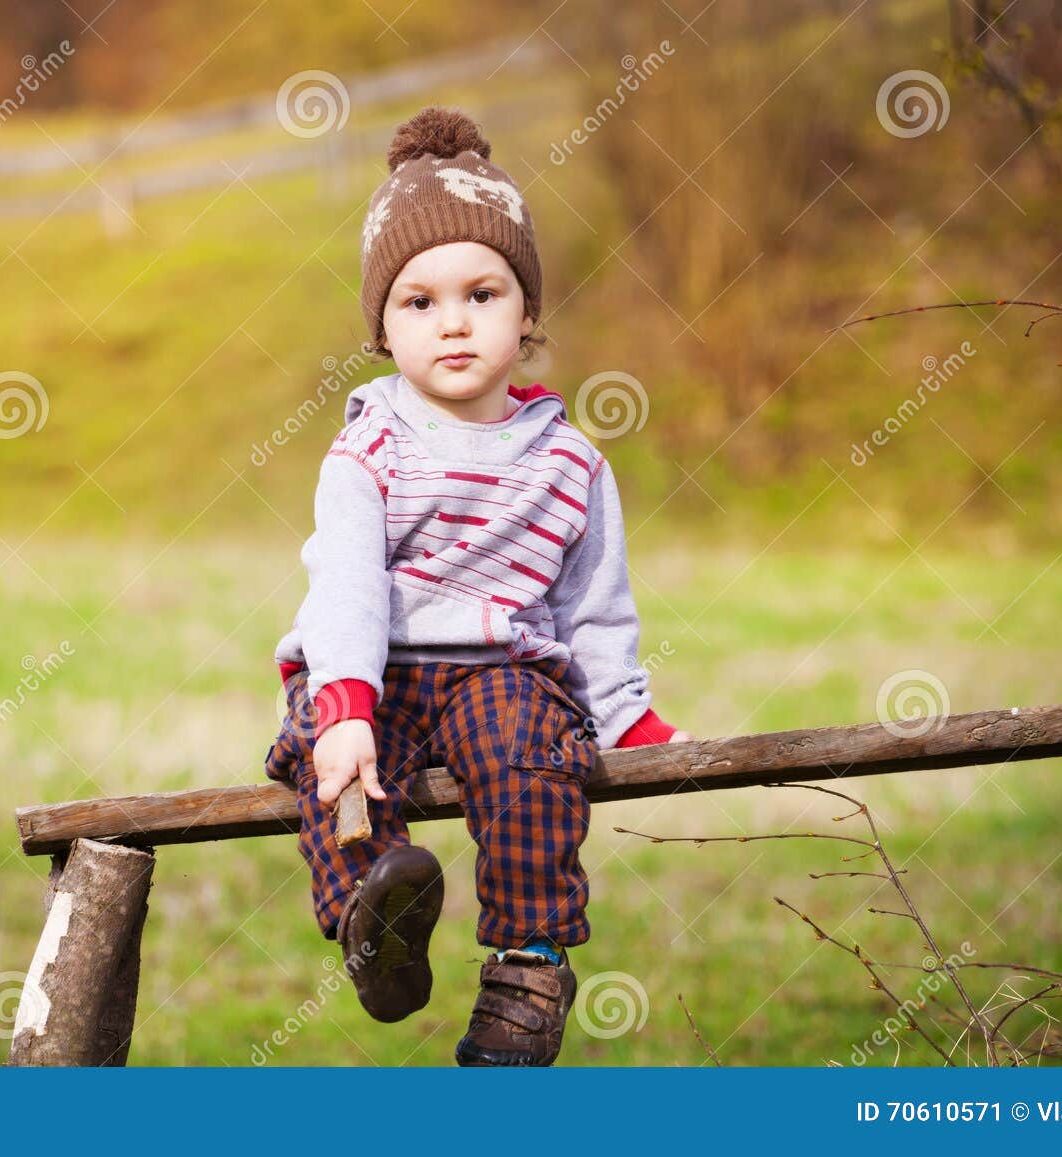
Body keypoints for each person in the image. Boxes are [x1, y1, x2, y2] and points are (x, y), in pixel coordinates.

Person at [263, 105, 692, 1067]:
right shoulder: (367, 447)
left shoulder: (569, 462)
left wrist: (623, 713)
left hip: (502, 668)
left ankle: (528, 971)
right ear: (381, 323)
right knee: (330, 768)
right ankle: (377, 910)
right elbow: (347, 587)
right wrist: (342, 705)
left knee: (531, 758)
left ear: (527, 310)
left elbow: (595, 603)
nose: (453, 321)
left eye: (483, 293)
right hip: (369, 673)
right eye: (419, 302)